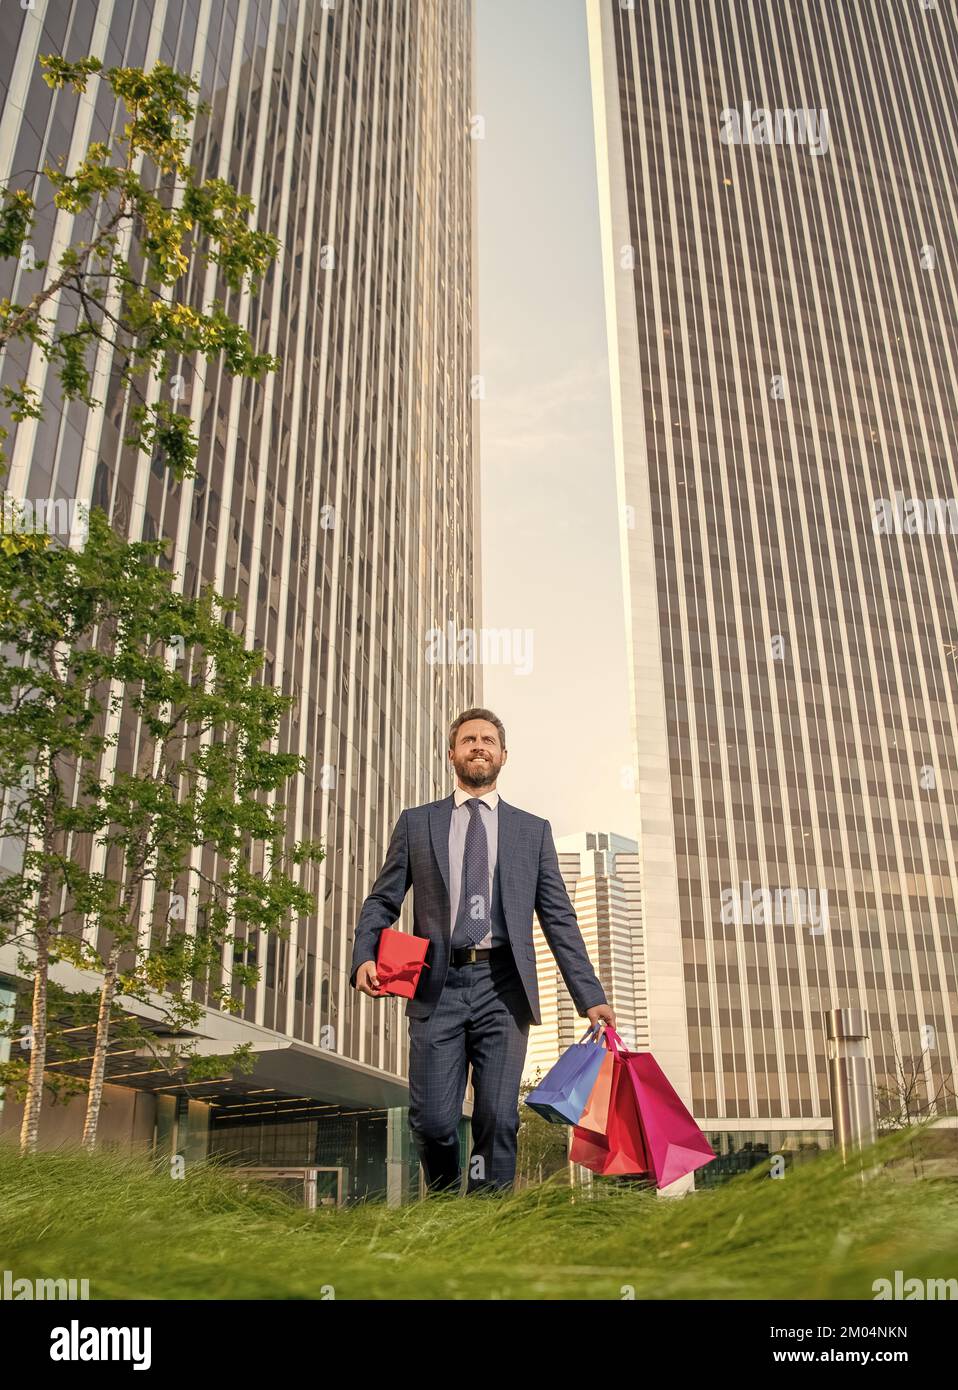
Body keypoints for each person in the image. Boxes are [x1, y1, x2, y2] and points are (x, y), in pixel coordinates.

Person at [350, 707, 615, 1194]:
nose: (478, 746)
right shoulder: (417, 823)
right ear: (451, 753)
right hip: (436, 987)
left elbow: (559, 917)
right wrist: (365, 954)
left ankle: (488, 1222)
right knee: (432, 1120)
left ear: (503, 755)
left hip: (503, 989)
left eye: (488, 740)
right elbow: (383, 898)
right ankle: (448, 1204)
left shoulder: (532, 831)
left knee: (498, 1117)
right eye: (469, 739)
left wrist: (589, 994)